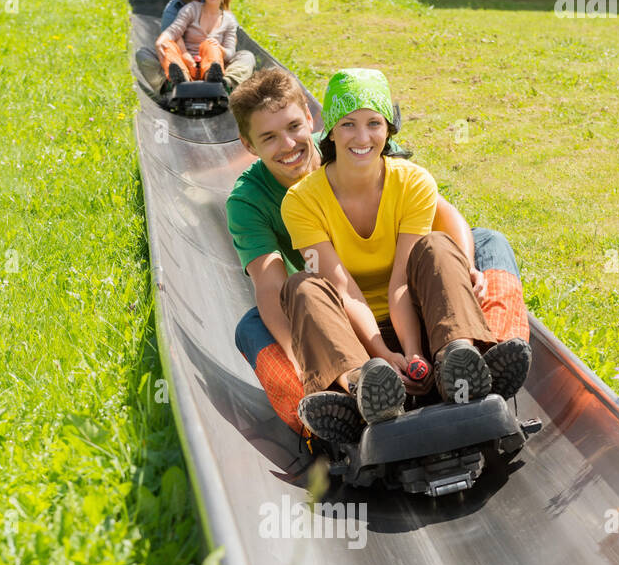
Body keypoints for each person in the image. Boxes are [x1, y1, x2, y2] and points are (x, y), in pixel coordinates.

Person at [225, 68, 530, 441]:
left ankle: (483, 355)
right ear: (249, 146)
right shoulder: (257, 200)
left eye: (293, 127)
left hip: (410, 287)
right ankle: (329, 403)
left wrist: (467, 268)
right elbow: (273, 285)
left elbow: (443, 215)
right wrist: (303, 358)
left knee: (487, 242)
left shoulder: (359, 145)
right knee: (256, 323)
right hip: (337, 304)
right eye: (269, 138)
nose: (288, 145)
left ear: (312, 121)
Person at [155, 0, 255, 93]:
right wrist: (160, 41)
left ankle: (222, 83)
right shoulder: (191, 9)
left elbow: (230, 53)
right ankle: (180, 81)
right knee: (167, 45)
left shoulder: (229, 19)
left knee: (245, 55)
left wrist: (219, 48)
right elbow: (174, 31)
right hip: (187, 65)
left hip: (213, 63)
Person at [136, 0, 204, 94]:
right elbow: (170, 43)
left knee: (246, 56)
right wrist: (187, 60)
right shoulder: (172, 10)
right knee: (143, 54)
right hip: (181, 59)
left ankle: (226, 84)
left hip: (209, 56)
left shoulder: (211, 0)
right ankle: (169, 86)